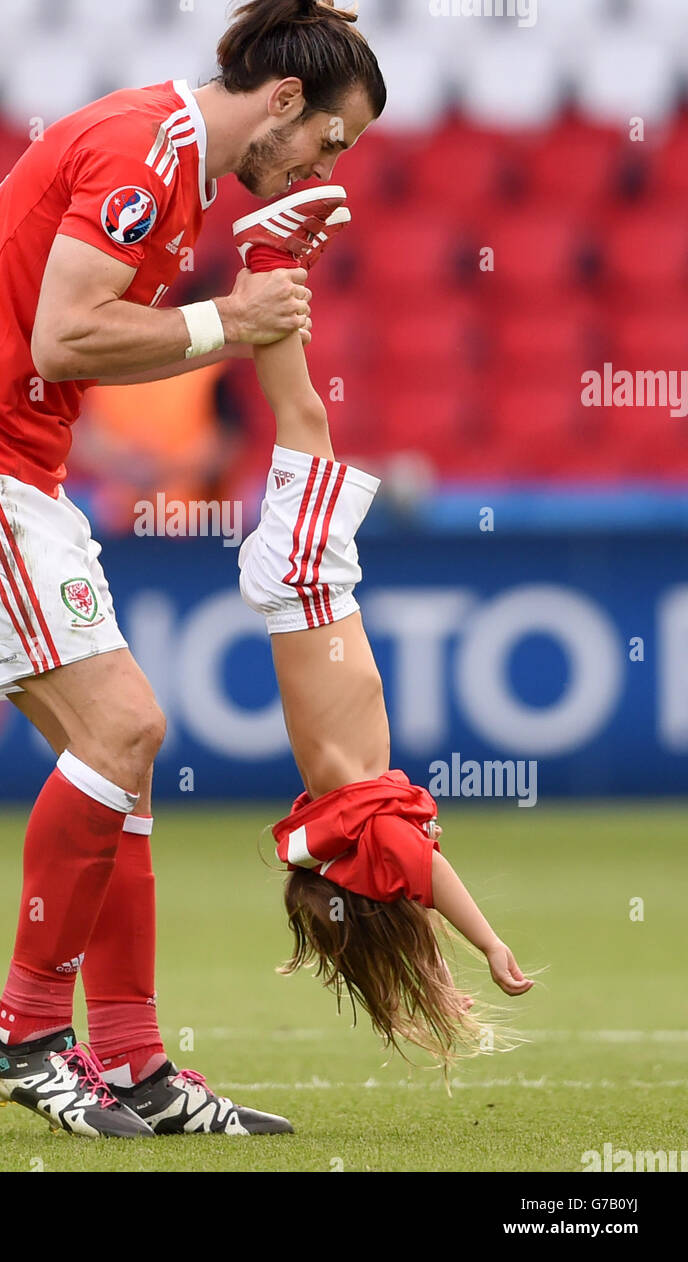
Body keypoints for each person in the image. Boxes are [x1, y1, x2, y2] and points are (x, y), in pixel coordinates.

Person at [0, 0, 386, 1137]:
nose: (325, 167)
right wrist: (227, 322)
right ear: (284, 99)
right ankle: (22, 1033)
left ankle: (137, 1064)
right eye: (330, 142)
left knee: (122, 763)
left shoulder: (177, 167)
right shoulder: (150, 152)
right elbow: (65, 332)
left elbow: (92, 350)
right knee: (129, 727)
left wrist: (244, 293)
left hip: (3, 470)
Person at [234, 187, 534, 1070]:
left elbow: (425, 873)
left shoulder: (360, 814)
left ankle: (268, 261)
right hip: (312, 592)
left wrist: (488, 944)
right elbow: (409, 872)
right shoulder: (352, 807)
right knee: (308, 422)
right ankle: (277, 265)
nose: (407, 874)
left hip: (308, 592)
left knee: (306, 419)